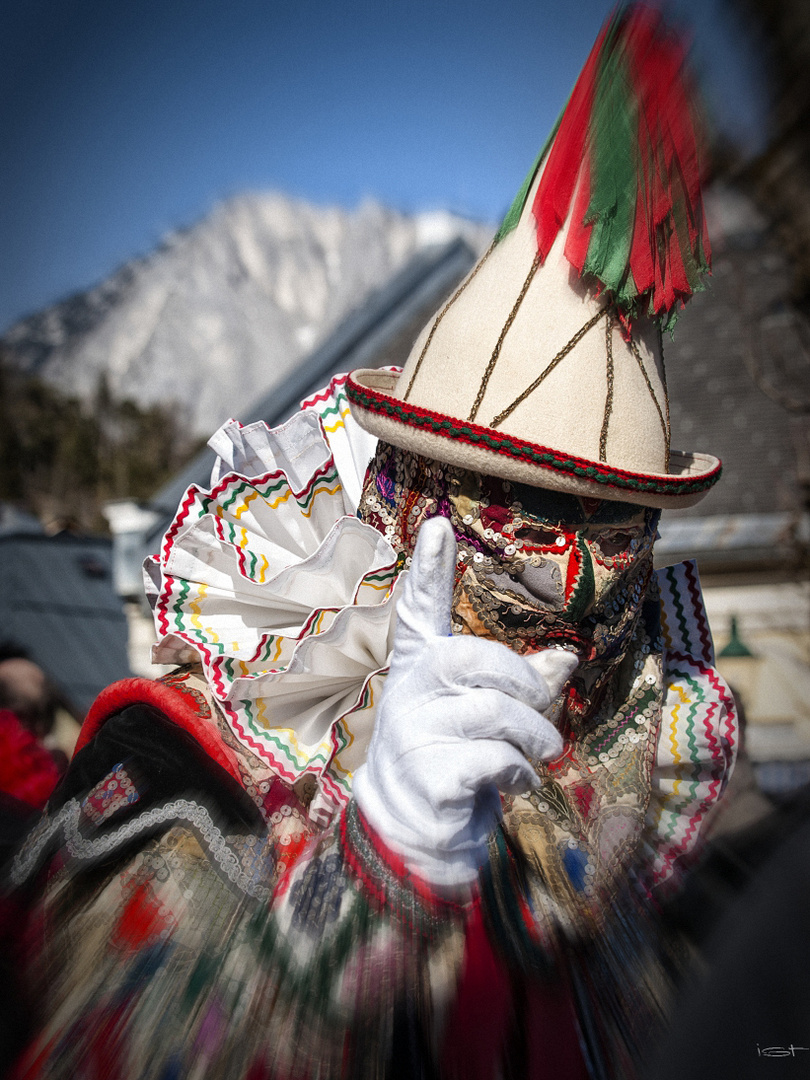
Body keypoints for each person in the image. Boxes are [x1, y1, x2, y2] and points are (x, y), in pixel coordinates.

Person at [5, 8, 736, 1079]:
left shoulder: (632, 769)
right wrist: (367, 878)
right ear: (401, 498)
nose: (575, 573)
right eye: (519, 509)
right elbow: (99, 1041)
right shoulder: (198, 759)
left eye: (616, 526)